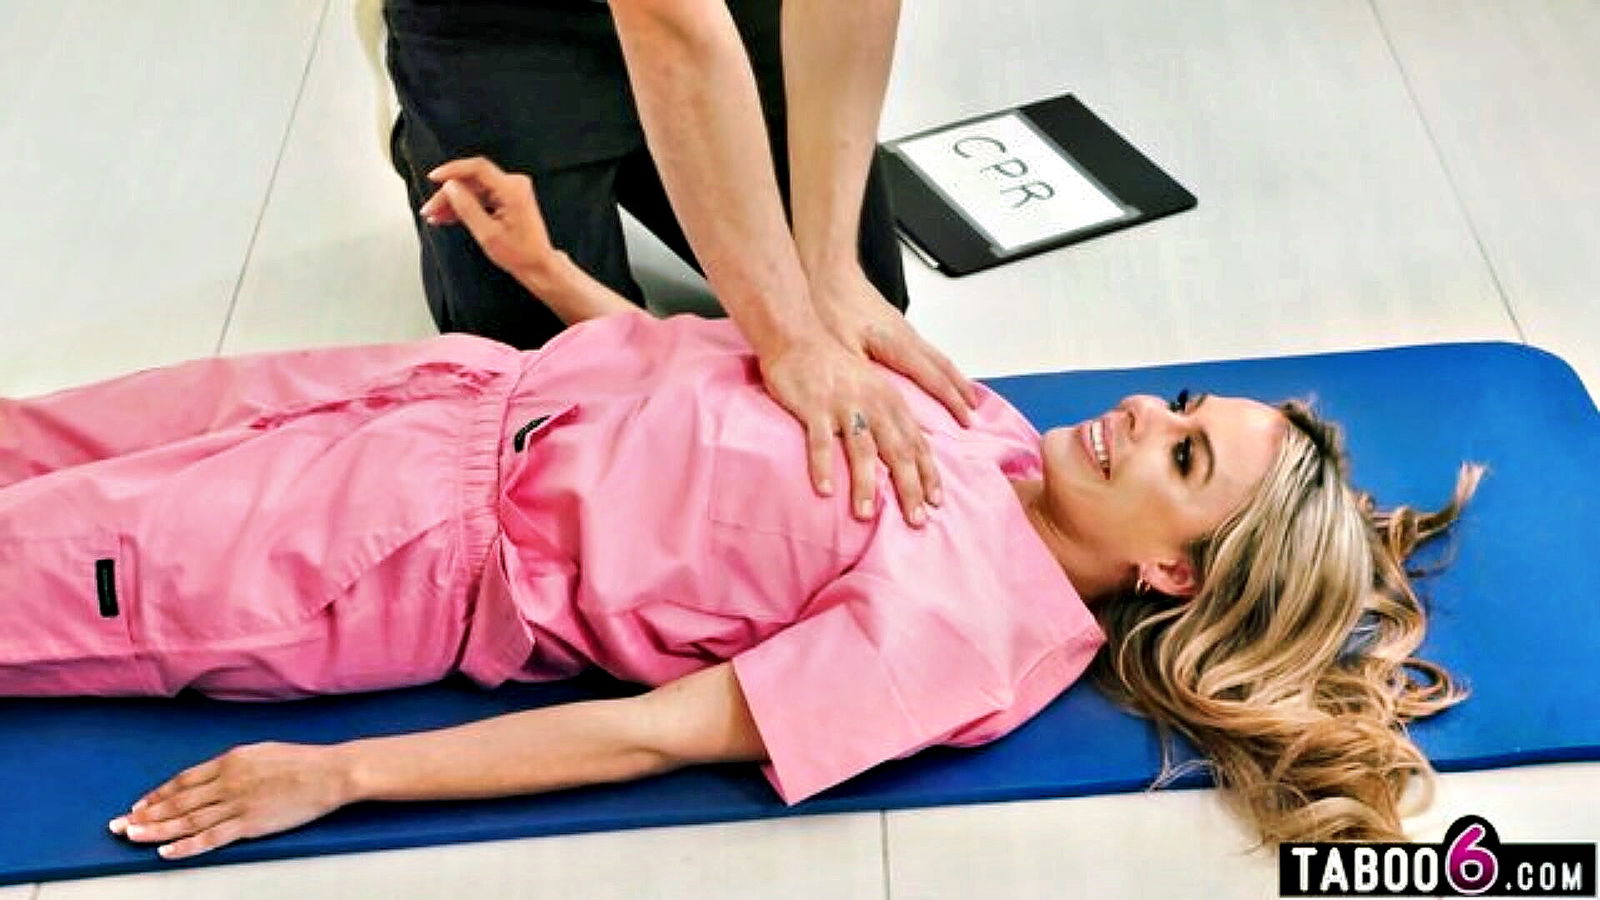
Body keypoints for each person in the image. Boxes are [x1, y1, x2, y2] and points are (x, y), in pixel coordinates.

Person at [0, 160, 1479, 862]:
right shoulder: (996, 426)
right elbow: (707, 394)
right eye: (1182, 403)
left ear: (1168, 569)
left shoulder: (970, 637)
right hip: (429, 386)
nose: (1144, 415)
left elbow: (660, 729)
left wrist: (343, 777)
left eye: (1181, 459)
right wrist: (557, 284)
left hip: (377, 552)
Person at [372, 0, 976, 533]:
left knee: (864, 316)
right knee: (559, 389)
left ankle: (649, 146)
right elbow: (667, 17)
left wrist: (831, 269)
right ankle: (428, 125)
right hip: (496, 22)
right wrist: (790, 338)